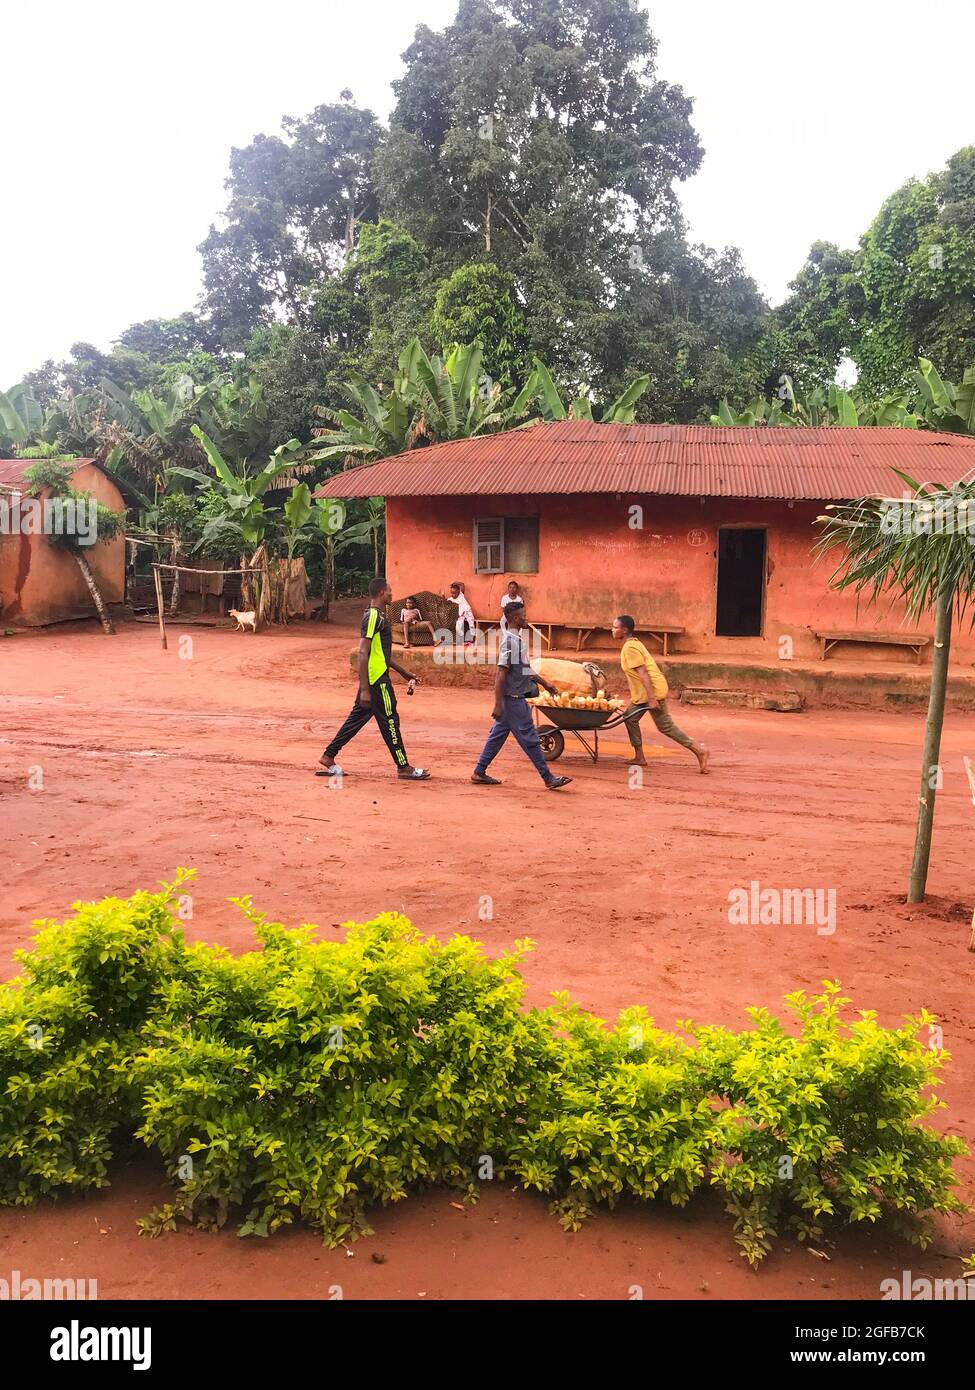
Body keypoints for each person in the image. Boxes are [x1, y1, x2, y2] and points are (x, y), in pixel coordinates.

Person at [316, 577, 431, 781]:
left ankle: (328, 756)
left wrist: (403, 672)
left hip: (375, 678)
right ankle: (403, 767)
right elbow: (363, 652)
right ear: (381, 593)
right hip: (377, 681)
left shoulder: (378, 616)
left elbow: (379, 654)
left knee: (356, 720)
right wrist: (365, 689)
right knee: (390, 722)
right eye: (390, 591)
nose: (392, 594)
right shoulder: (373, 617)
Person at [472, 600, 572, 790]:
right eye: (524, 616)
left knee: (497, 737)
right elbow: (501, 673)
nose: (527, 618)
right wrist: (498, 704)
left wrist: (545, 683)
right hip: (513, 700)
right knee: (531, 739)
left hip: (513, 700)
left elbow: (525, 669)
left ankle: (479, 771)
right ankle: (548, 778)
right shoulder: (510, 642)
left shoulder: (518, 641)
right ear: (516, 619)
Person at [612, 615, 709, 773]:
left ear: (624, 630)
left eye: (615, 627)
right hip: (643, 694)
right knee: (630, 718)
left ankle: (700, 750)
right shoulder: (633, 644)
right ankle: (639, 757)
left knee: (665, 726)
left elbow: (643, 673)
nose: (612, 630)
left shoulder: (630, 648)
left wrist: (652, 699)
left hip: (652, 691)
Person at [448, 581, 476, 647]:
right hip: (460, 616)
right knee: (457, 628)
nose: (453, 595)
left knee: (471, 624)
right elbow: (445, 603)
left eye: (455, 593)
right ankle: (462, 638)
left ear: (459, 592)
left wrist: (454, 583)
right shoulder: (450, 599)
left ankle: (473, 637)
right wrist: (443, 595)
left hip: (467, 612)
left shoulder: (461, 595)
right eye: (452, 593)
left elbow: (462, 585)